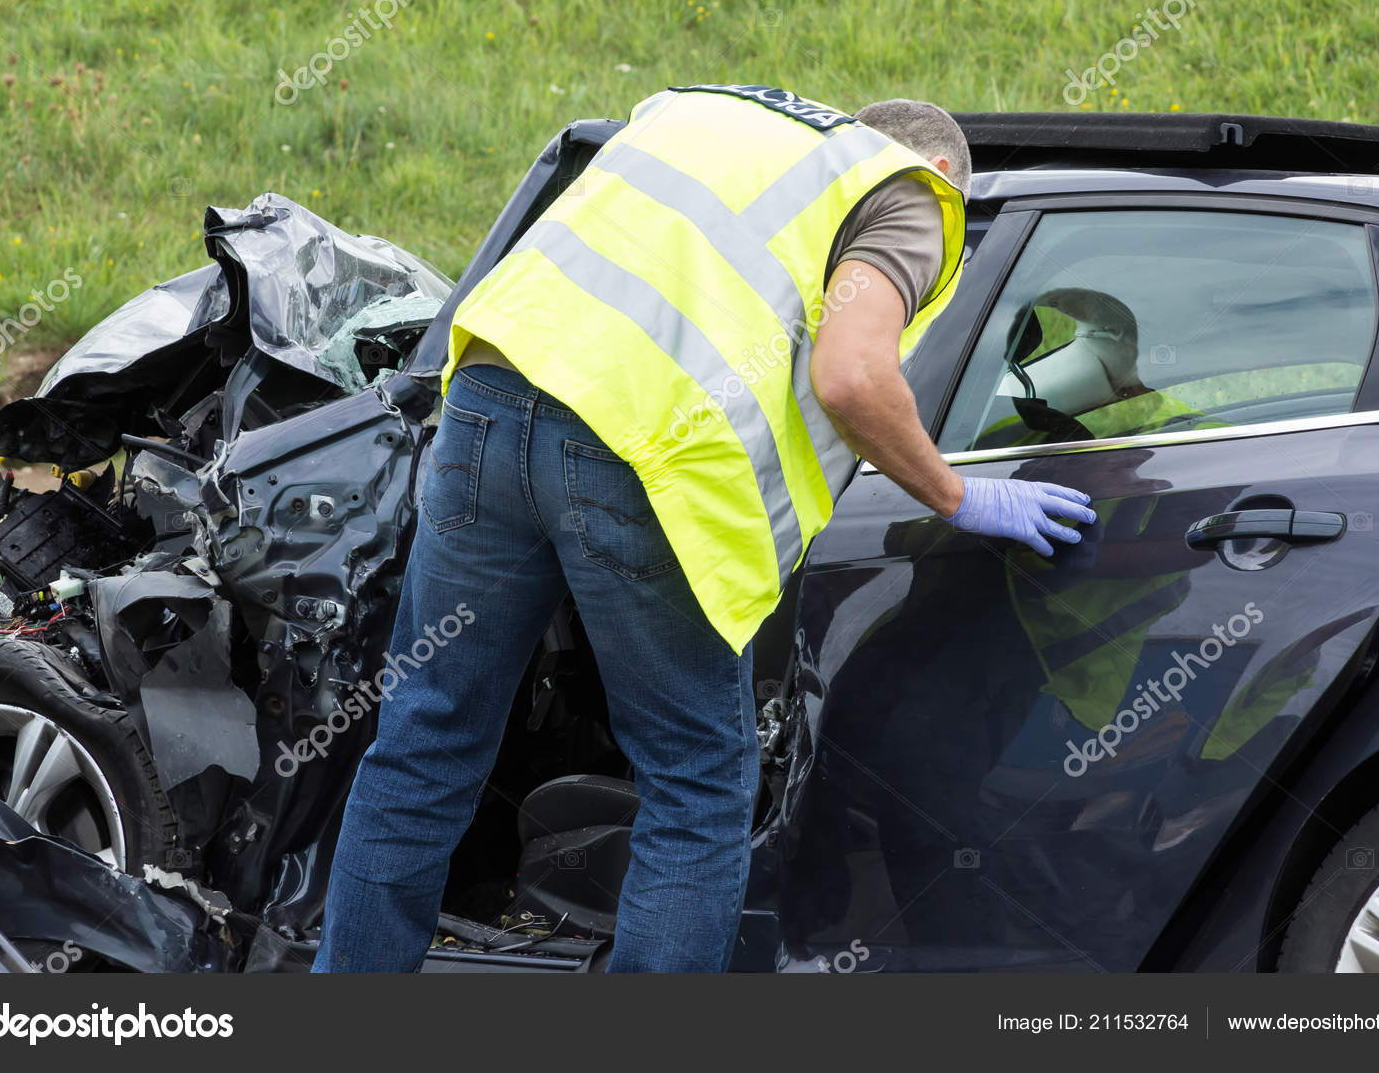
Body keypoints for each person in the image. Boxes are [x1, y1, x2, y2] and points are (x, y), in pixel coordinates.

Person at [314, 85, 1094, 972]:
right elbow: (851, 375)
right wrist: (957, 494)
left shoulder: (697, 113)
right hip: (639, 455)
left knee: (423, 742)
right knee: (696, 785)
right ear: (944, 169)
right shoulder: (911, 190)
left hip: (488, 398)